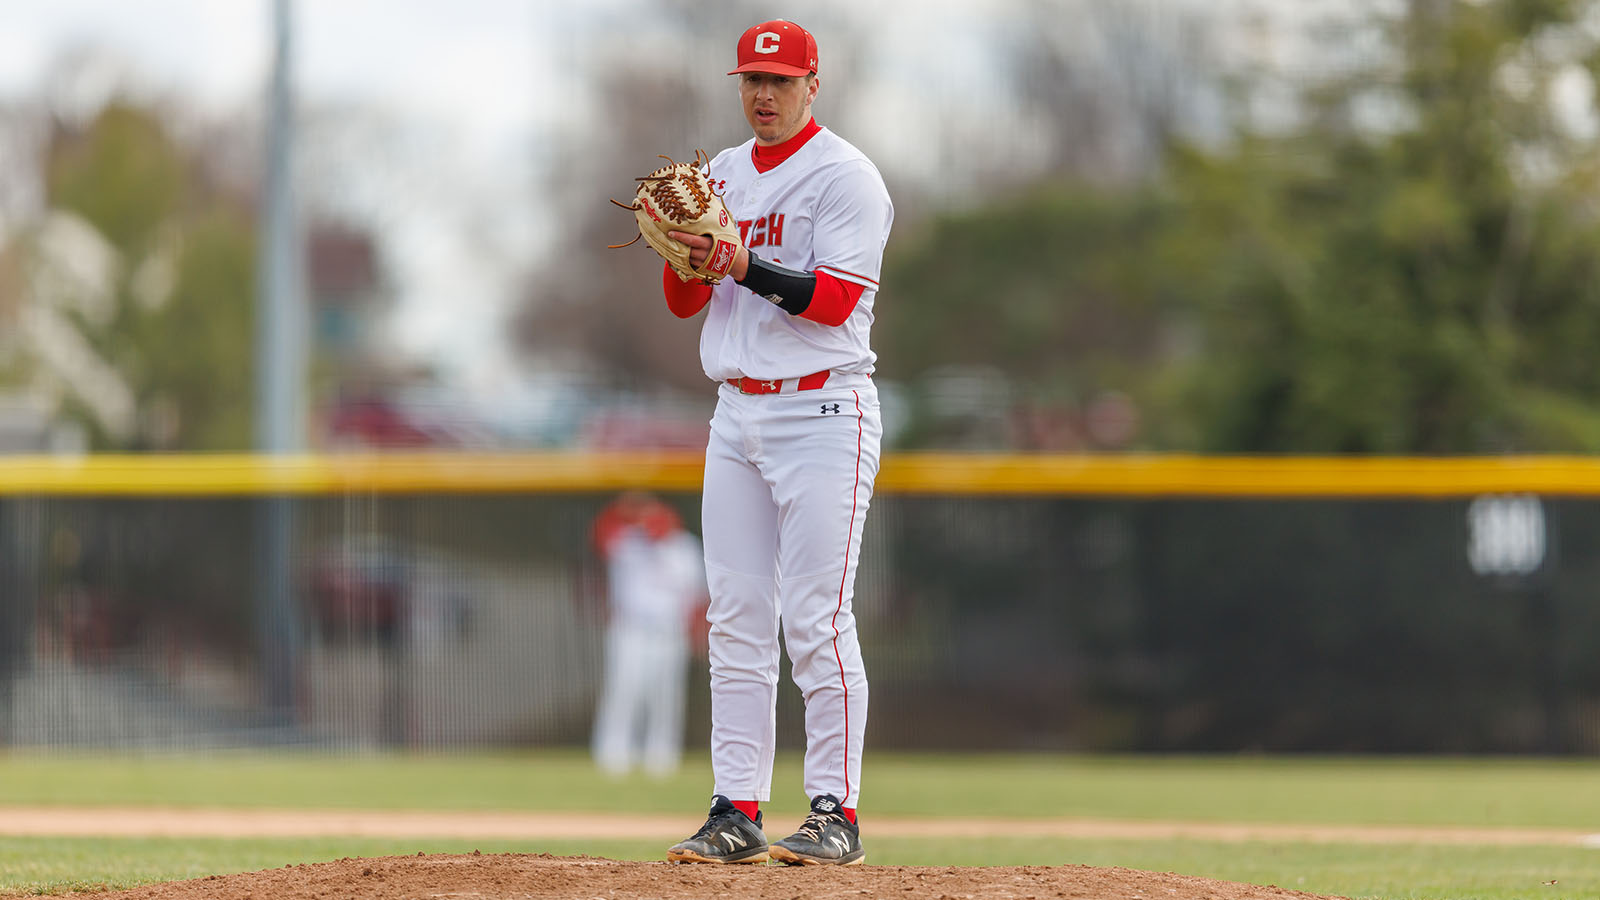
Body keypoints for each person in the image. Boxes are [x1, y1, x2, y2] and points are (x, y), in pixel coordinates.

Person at [655, 19, 893, 867]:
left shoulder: (846, 178)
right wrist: (687, 261)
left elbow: (831, 300)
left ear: (811, 85)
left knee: (818, 620)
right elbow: (688, 304)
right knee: (736, 618)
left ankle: (836, 813)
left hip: (823, 411)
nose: (763, 93)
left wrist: (737, 262)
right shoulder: (718, 173)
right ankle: (735, 808)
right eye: (752, 79)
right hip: (736, 414)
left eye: (780, 80)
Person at [589, 492, 706, 778]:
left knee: (666, 696)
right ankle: (613, 753)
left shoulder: (686, 548)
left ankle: (662, 756)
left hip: (669, 632)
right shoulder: (629, 543)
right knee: (623, 690)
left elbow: (698, 597)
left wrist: (698, 634)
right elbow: (600, 534)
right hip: (631, 629)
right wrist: (627, 507)